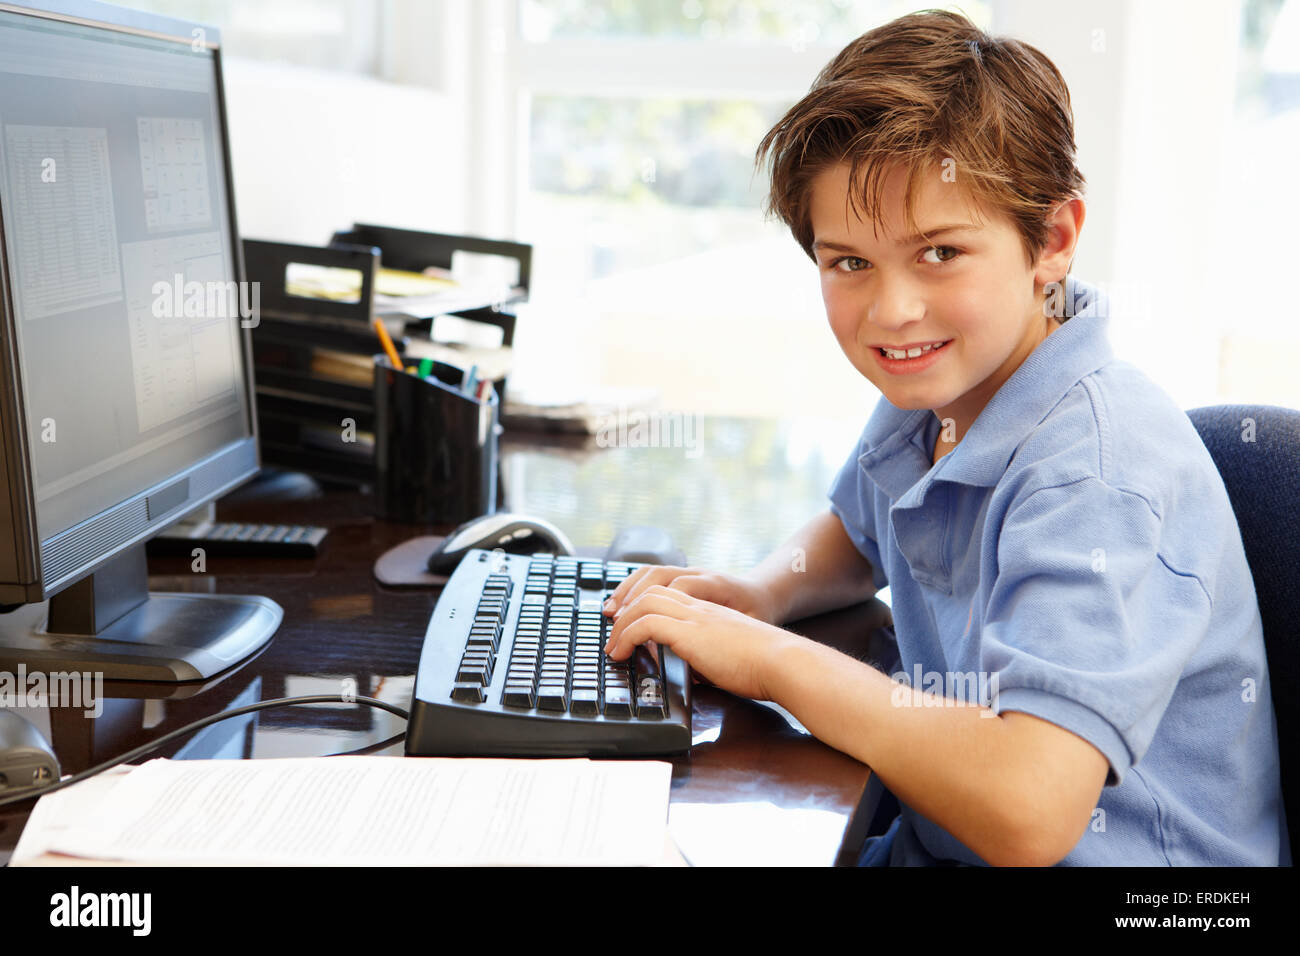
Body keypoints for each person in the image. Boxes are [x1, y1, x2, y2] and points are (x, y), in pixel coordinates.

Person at [601, 9, 1286, 866]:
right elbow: (861, 534)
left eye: (939, 253)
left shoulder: (1098, 476)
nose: (892, 312)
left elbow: (1028, 809)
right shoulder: (944, 384)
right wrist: (762, 593)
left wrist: (769, 660)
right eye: (849, 261)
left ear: (1053, 240)